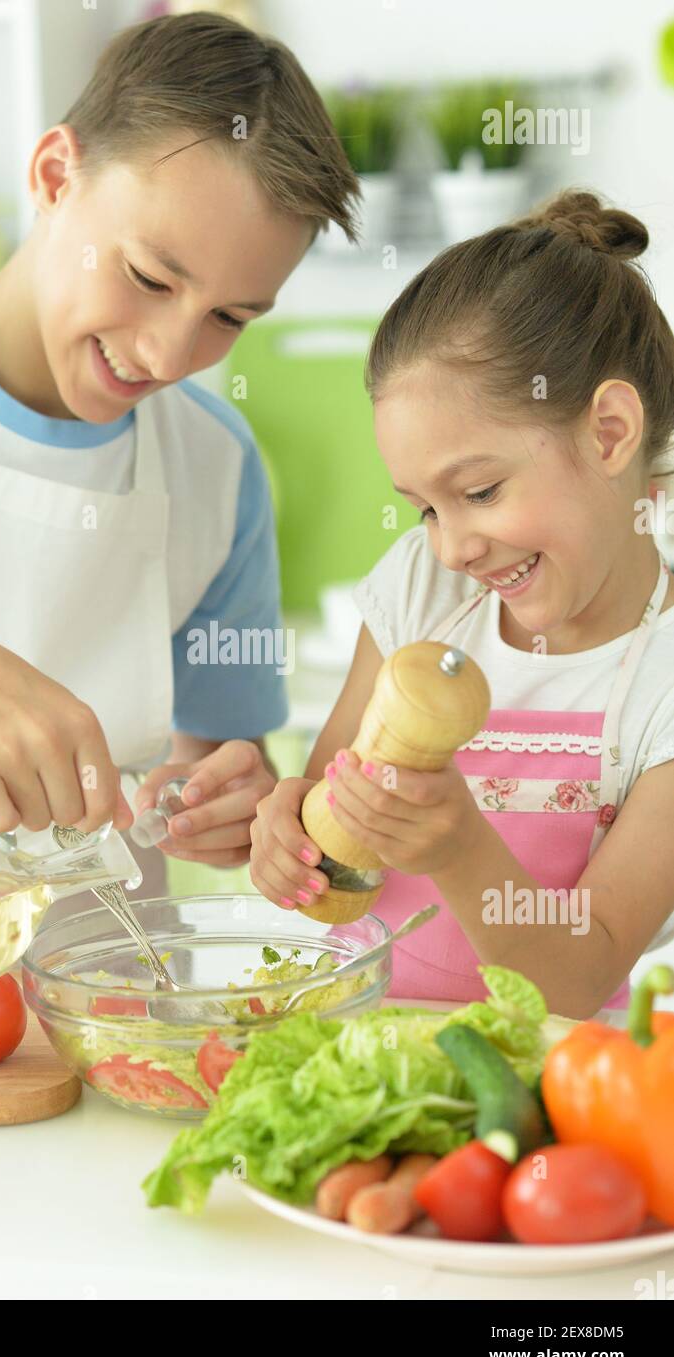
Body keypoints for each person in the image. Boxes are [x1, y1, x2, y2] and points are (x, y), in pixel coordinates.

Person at [0, 11, 360, 968]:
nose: (166, 353)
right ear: (55, 177)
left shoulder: (219, 471)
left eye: (229, 317)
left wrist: (231, 803)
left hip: (112, 999)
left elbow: (218, 759)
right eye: (148, 277)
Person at [250, 190, 674, 1020]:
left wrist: (459, 848)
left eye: (479, 491)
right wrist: (286, 829)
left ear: (611, 433)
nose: (452, 546)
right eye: (425, 507)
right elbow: (324, 802)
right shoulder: (424, 587)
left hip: (540, 1092)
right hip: (349, 1049)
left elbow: (577, 979)